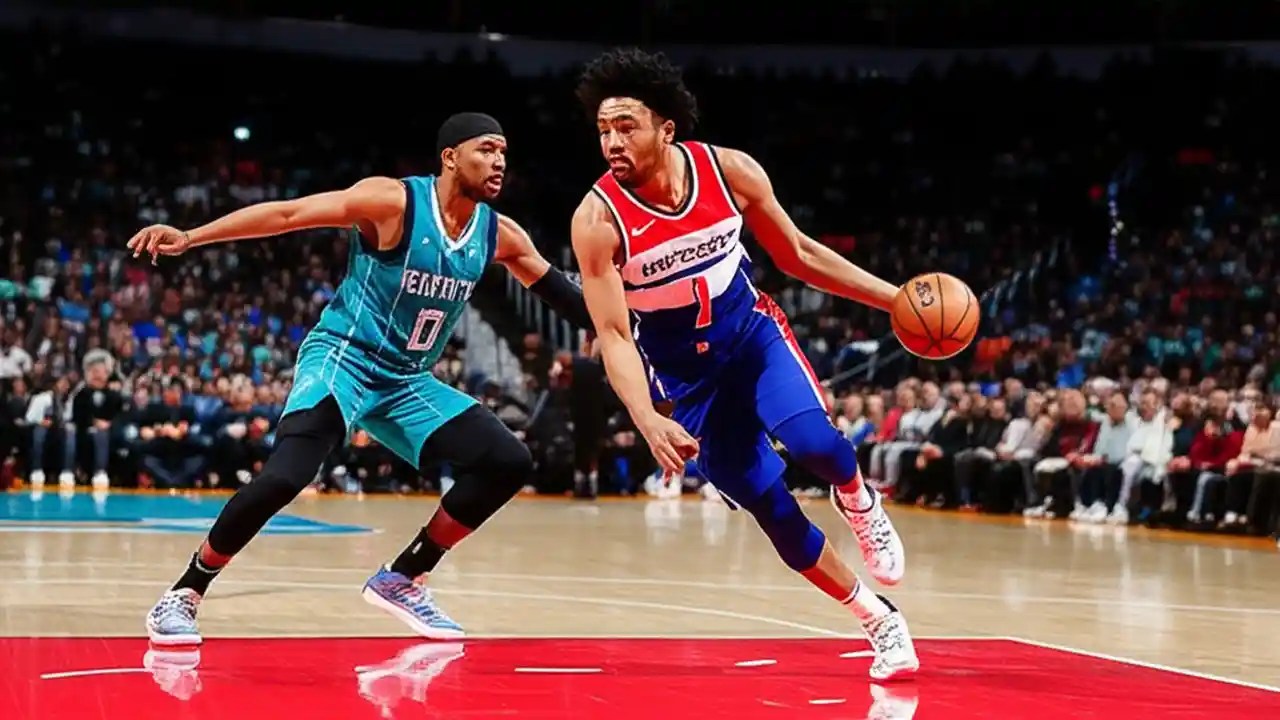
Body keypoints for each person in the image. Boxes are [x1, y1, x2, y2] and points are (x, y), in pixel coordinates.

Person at [134, 113, 593, 645]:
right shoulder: (393, 202)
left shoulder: (499, 234)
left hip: (407, 378)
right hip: (344, 359)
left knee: (507, 461)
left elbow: (564, 296)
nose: (499, 163)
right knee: (286, 476)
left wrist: (635, 324)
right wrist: (191, 237)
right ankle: (184, 592)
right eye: (487, 150)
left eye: (504, 153)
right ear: (450, 157)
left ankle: (402, 577)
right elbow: (289, 213)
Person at [569, 48, 918, 680]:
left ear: (666, 128)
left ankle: (859, 501)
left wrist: (892, 299)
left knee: (814, 441)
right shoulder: (596, 220)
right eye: (602, 130)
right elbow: (614, 335)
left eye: (626, 126)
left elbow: (801, 254)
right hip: (686, 378)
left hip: (751, 338)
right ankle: (880, 620)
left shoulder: (728, 171)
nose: (612, 141)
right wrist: (648, 418)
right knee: (774, 513)